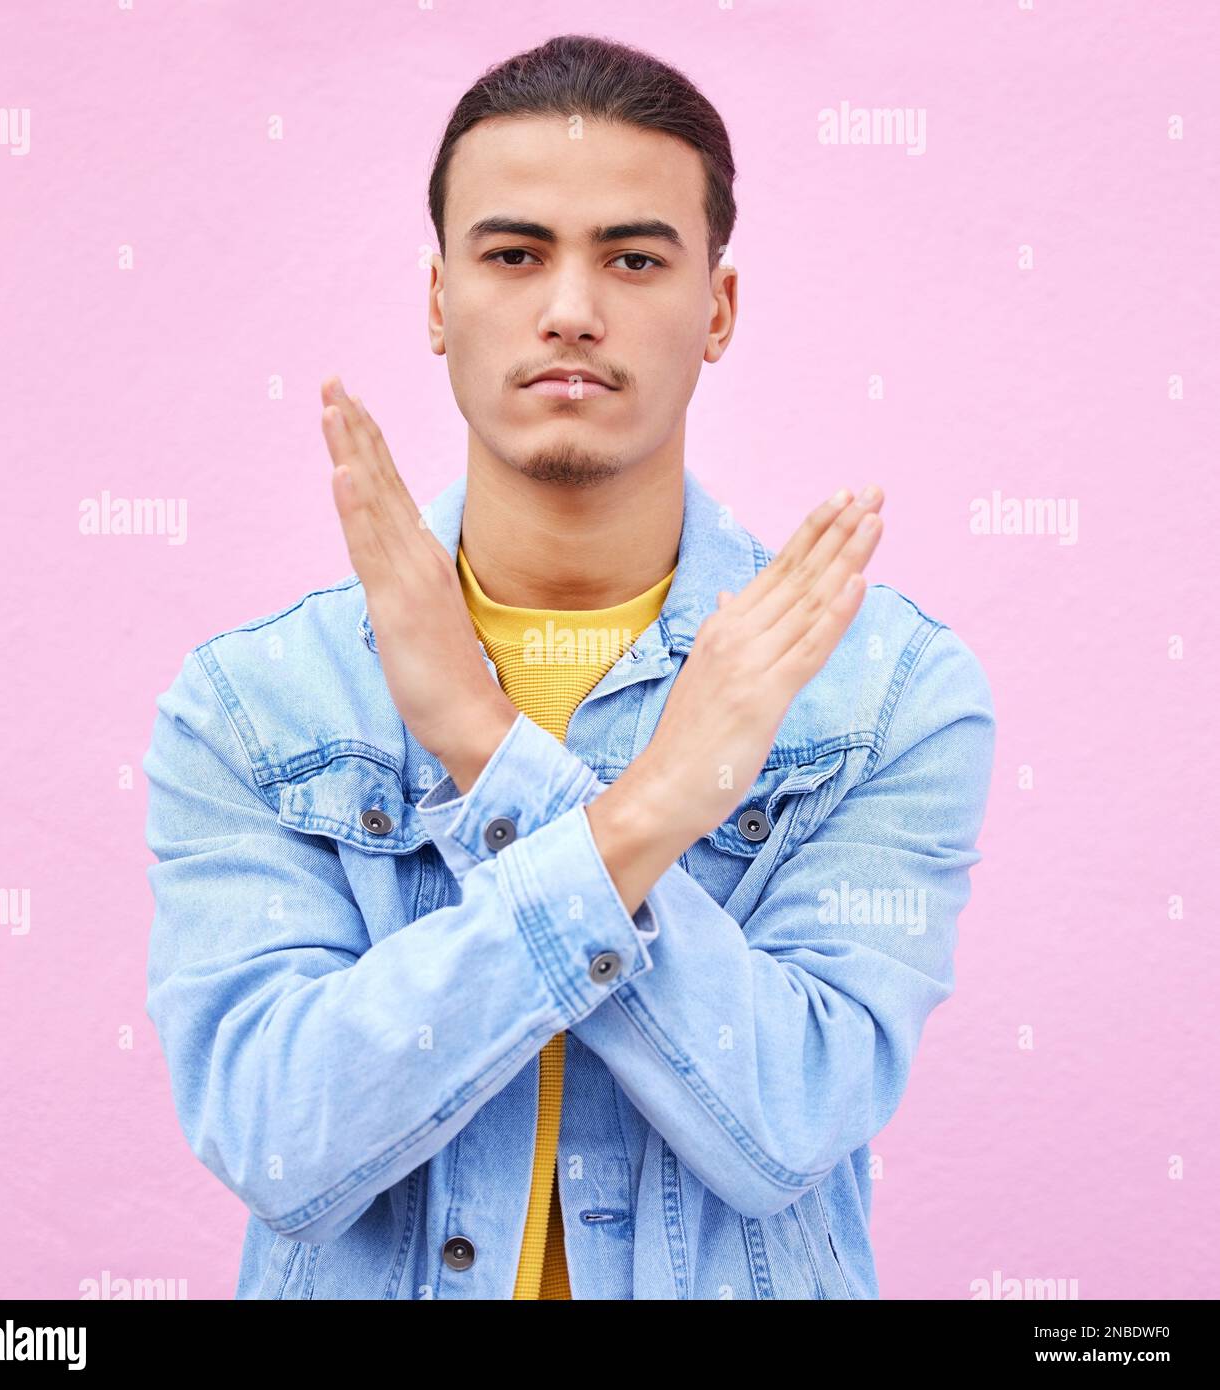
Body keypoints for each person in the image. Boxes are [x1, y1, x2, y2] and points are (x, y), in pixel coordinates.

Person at [143, 33, 995, 1301]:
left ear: (717, 309)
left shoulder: (878, 696)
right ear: (439, 300)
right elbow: (283, 1139)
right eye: (514, 252)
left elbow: (789, 1125)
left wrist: (486, 754)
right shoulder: (255, 706)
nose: (570, 309)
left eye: (634, 257)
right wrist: (648, 812)